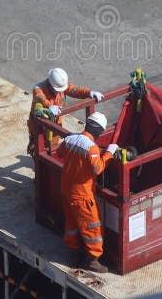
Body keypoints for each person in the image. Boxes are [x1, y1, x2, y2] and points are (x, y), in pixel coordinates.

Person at [56, 111, 118, 273]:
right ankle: (92, 260)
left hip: (66, 189)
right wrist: (109, 154)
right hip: (82, 195)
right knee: (93, 227)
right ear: (98, 131)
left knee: (72, 223)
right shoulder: (92, 148)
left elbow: (59, 153)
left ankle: (73, 255)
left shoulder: (70, 139)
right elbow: (98, 168)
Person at [27, 68, 104, 155]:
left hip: (54, 121)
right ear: (51, 84)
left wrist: (89, 92)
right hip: (39, 123)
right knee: (36, 146)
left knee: (53, 146)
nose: (61, 92)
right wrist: (49, 106)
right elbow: (40, 98)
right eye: (58, 90)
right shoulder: (38, 89)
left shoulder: (61, 87)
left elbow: (75, 90)